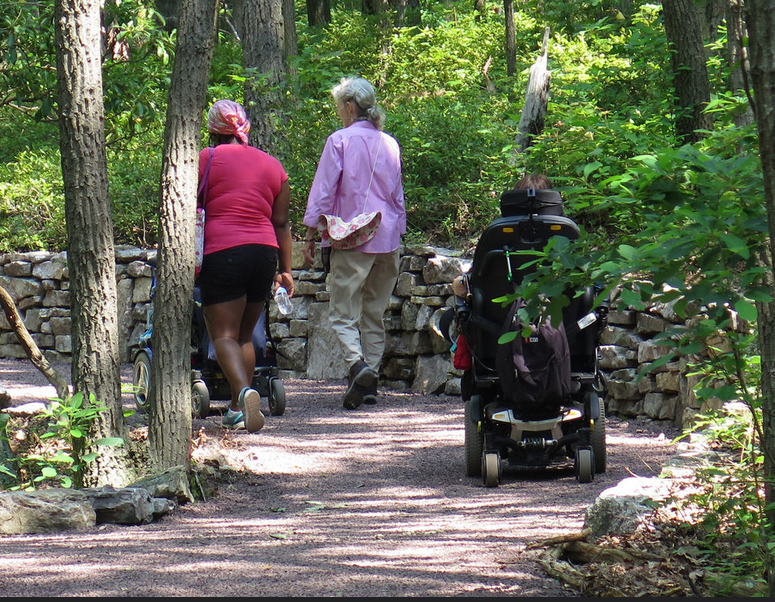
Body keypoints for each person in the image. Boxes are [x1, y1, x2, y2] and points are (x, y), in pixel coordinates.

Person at [302, 77, 405, 410]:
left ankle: (357, 366)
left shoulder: (339, 140)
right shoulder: (390, 143)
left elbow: (324, 191)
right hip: (387, 236)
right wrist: (399, 230)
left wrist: (311, 233)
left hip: (352, 237)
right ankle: (368, 383)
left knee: (343, 313)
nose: (338, 113)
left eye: (339, 107)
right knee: (374, 313)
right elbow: (397, 195)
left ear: (349, 107)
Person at [198, 99, 294, 431]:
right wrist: (286, 270)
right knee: (244, 336)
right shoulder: (273, 165)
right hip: (264, 253)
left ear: (213, 129)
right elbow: (281, 223)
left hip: (223, 250)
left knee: (223, 334)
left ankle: (243, 393)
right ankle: (239, 408)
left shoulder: (206, 159)